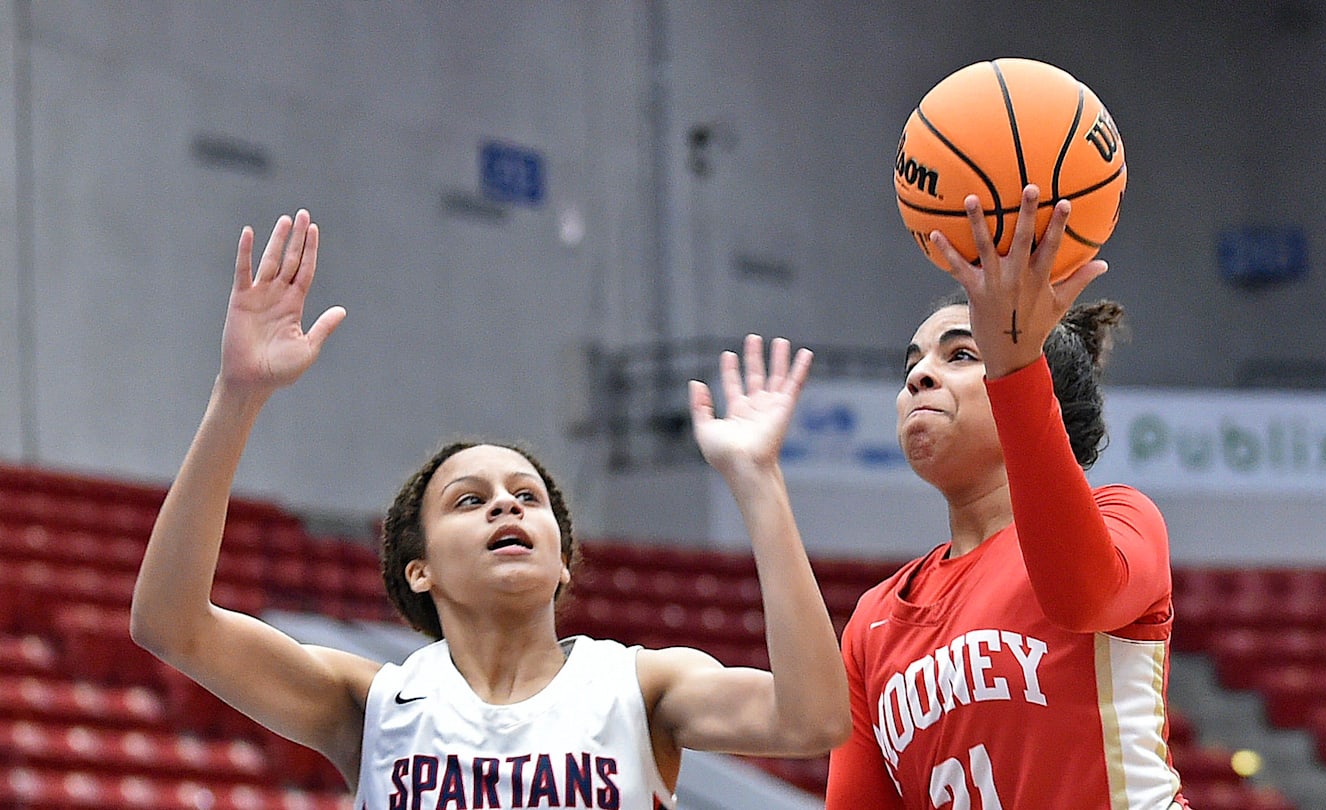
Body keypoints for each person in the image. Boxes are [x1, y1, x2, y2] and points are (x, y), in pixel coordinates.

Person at [130, 209, 849, 809]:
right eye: (469, 500)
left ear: (563, 562)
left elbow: (814, 717)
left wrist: (757, 478)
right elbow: (169, 623)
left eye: (527, 497)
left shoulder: (640, 686)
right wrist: (239, 395)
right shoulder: (371, 703)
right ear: (419, 570)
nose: (506, 503)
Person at [825, 186, 1187, 809]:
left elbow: (1082, 594)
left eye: (963, 353)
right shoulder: (873, 623)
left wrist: (1015, 360)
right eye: (911, 364)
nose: (919, 375)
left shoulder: (1124, 517)